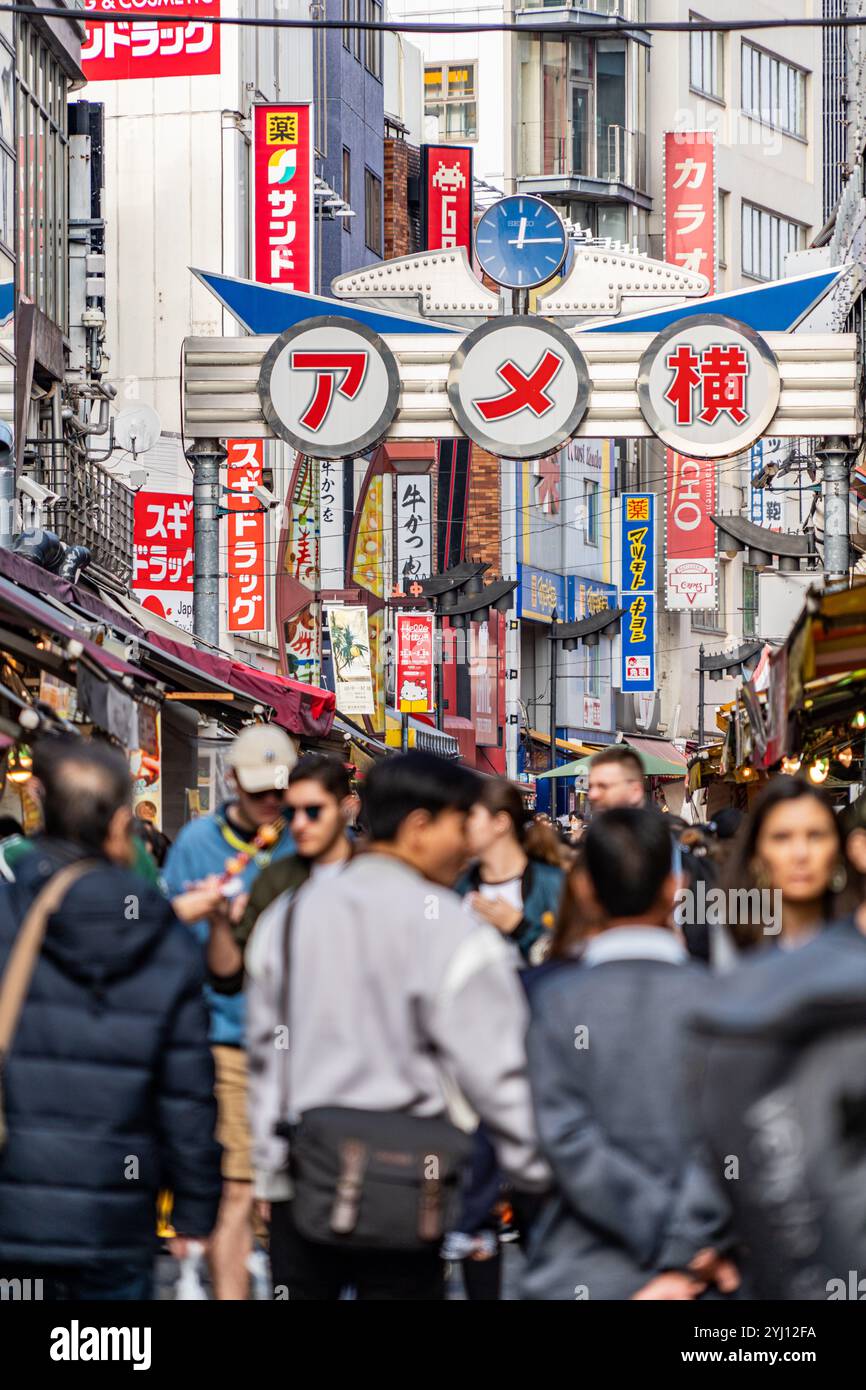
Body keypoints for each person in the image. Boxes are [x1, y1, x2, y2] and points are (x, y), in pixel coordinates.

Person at [262, 751, 549, 1301]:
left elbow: (262, 1048)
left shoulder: (294, 914)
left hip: (303, 1180)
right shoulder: (458, 935)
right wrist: (537, 1175)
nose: (468, 843)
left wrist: (265, 1169)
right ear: (419, 827)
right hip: (410, 1185)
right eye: (458, 824)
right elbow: (502, 1077)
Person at [0, 736, 221, 1299]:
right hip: (117, 1217)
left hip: (15, 1209)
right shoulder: (157, 928)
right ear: (123, 822)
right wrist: (195, 1205)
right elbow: (186, 1089)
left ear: (41, 804)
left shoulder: (10, 910)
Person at [522, 806, 736, 1301]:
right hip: (705, 1270)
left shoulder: (554, 1002)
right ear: (675, 890)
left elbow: (565, 1137)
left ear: (583, 890)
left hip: (582, 1266)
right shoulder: (722, 1002)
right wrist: (687, 1245)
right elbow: (734, 1142)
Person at [161, 722, 297, 1301]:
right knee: (238, 1184)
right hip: (228, 1033)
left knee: (286, 1193)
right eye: (261, 789)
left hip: (303, 1041)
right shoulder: (196, 843)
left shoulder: (301, 840)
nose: (271, 801)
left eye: (280, 790)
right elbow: (164, 939)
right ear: (234, 780)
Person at [239, 755, 355, 1256]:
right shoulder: (276, 885)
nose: (301, 825)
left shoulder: (382, 879)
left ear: (347, 808)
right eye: (292, 813)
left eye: (315, 811)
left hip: (375, 1119)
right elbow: (263, 1033)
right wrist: (267, 1162)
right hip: (300, 1115)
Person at [723, 778, 860, 952]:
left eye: (816, 835)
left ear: (838, 849)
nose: (800, 854)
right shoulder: (729, 945)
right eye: (782, 837)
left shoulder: (858, 942)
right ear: (755, 854)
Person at [455, 778, 566, 966]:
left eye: (470, 815)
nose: (462, 825)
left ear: (501, 822)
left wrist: (519, 927)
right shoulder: (458, 885)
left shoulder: (553, 883)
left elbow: (570, 961)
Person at [586, 744, 646, 812]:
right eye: (590, 787)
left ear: (635, 791)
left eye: (603, 786)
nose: (592, 795)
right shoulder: (599, 821)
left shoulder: (655, 822)